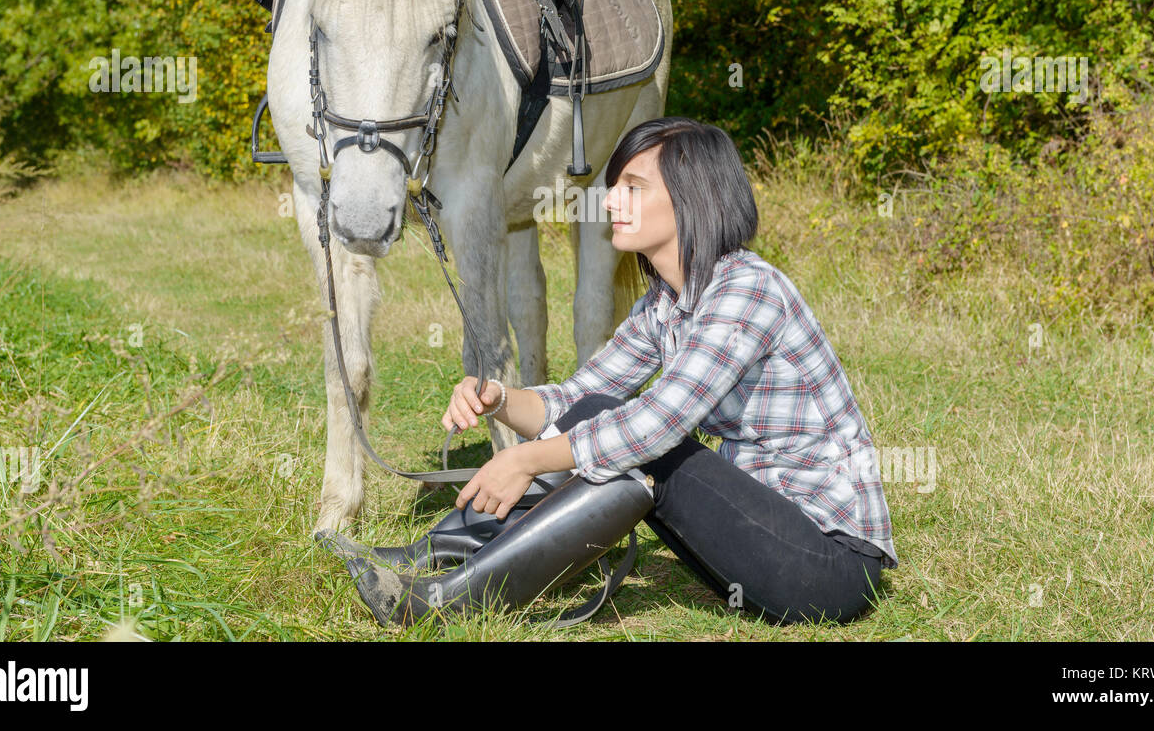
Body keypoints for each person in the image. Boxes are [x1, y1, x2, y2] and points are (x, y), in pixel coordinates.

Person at [348, 116, 898, 627]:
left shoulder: (748, 289)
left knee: (647, 449)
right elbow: (580, 397)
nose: (610, 200)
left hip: (830, 565)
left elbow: (656, 426)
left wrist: (525, 458)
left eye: (633, 186)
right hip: (758, 541)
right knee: (598, 415)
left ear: (693, 198)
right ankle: (437, 552)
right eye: (614, 186)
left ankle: (445, 600)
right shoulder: (664, 304)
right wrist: (498, 399)